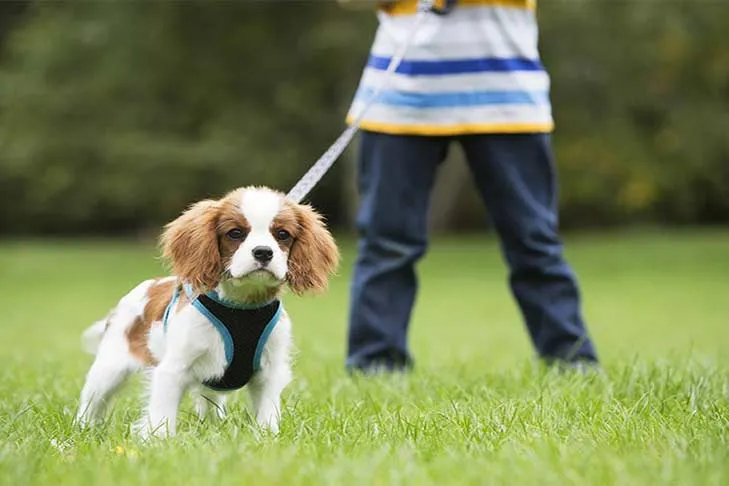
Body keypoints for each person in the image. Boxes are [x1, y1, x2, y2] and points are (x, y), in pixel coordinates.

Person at [339, 0, 599, 373]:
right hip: (399, 97)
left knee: (534, 242)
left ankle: (572, 362)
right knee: (385, 244)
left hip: (508, 98)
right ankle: (374, 365)